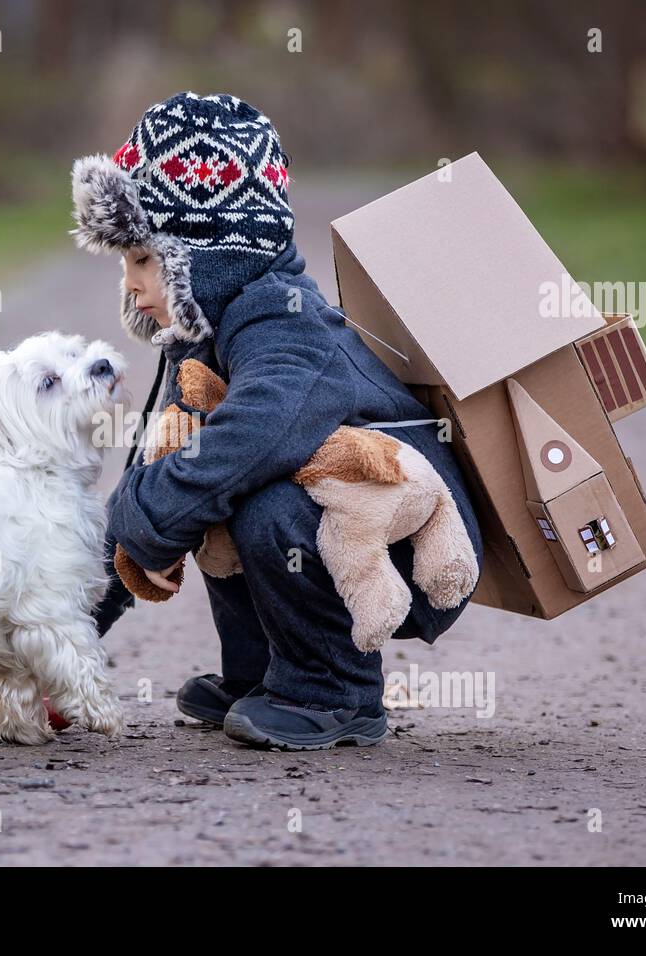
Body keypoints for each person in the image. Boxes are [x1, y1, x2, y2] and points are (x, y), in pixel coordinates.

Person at [70, 92, 483, 751]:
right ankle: (263, 676)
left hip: (403, 542)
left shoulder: (284, 323)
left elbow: (257, 438)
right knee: (201, 485)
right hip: (348, 522)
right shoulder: (206, 332)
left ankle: (335, 692)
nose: (130, 283)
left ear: (206, 254)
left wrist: (147, 508)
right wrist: (69, 629)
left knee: (258, 501)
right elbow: (155, 474)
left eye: (143, 259)